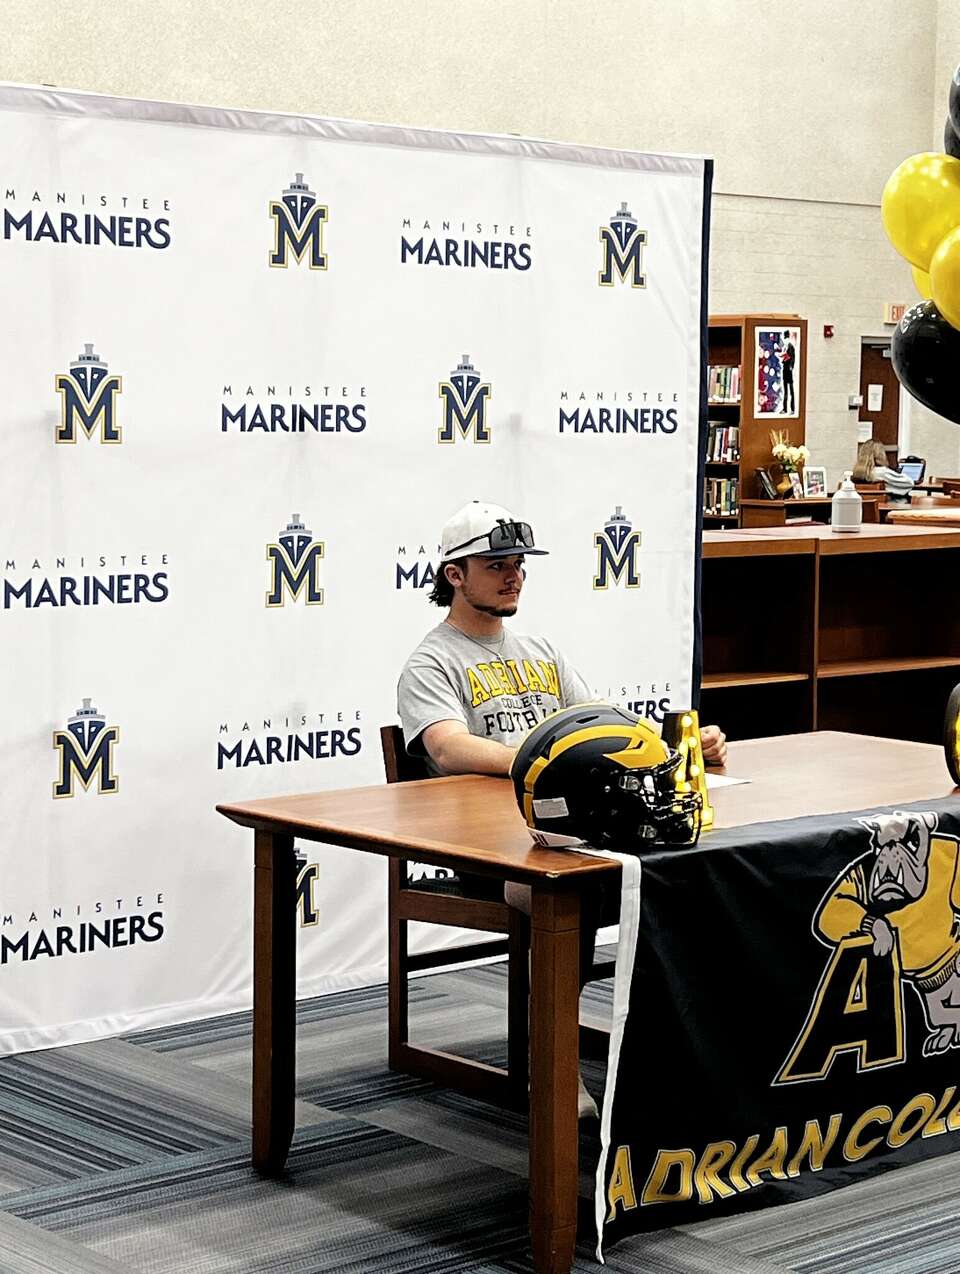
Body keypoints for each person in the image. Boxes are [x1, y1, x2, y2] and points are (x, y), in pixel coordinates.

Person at [397, 499, 727, 1116]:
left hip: (563, 829)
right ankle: (551, 1060)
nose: (513, 576)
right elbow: (446, 747)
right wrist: (539, 761)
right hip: (485, 847)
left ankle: (679, 1044)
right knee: (569, 891)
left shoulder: (541, 649)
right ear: (455, 575)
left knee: (685, 868)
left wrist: (677, 749)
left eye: (518, 564)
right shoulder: (432, 661)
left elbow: (598, 727)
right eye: (496, 565)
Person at [779, 330, 796, 414]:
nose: (785, 339)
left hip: (789, 371)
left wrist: (791, 366)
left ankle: (792, 409)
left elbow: (793, 358)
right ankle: (785, 409)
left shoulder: (791, 346)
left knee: (791, 390)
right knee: (785, 391)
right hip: (785, 370)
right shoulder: (784, 347)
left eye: (786, 337)